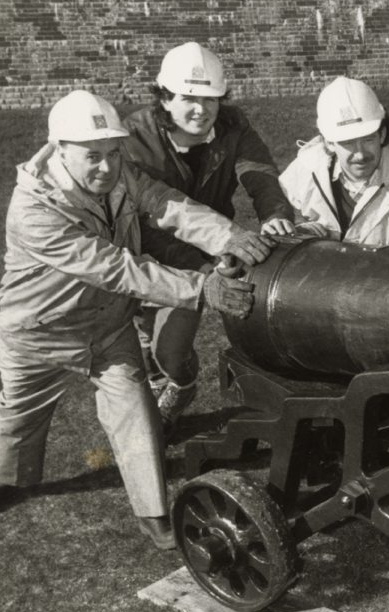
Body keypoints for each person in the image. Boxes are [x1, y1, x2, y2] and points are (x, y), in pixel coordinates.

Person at [0, 90, 272, 548]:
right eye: (93, 156)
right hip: (38, 332)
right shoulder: (33, 209)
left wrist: (228, 237)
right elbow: (114, 267)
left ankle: (154, 515)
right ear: (59, 151)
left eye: (113, 153)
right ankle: (3, 482)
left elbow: (169, 205)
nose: (107, 168)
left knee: (136, 412)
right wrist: (199, 286)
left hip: (108, 328)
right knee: (18, 414)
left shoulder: (120, 176)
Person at [121, 42, 295, 430]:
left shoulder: (234, 126)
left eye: (211, 99)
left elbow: (259, 173)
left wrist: (275, 215)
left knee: (169, 350)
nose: (201, 109)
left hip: (206, 257)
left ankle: (180, 384)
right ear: (164, 98)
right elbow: (154, 208)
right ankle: (159, 401)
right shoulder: (133, 139)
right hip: (147, 252)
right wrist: (216, 251)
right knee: (140, 341)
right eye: (189, 98)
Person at [280, 76, 389, 247]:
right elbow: (282, 212)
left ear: (382, 134)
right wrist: (301, 228)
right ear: (329, 143)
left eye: (368, 140)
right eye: (348, 143)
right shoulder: (306, 167)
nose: (360, 154)